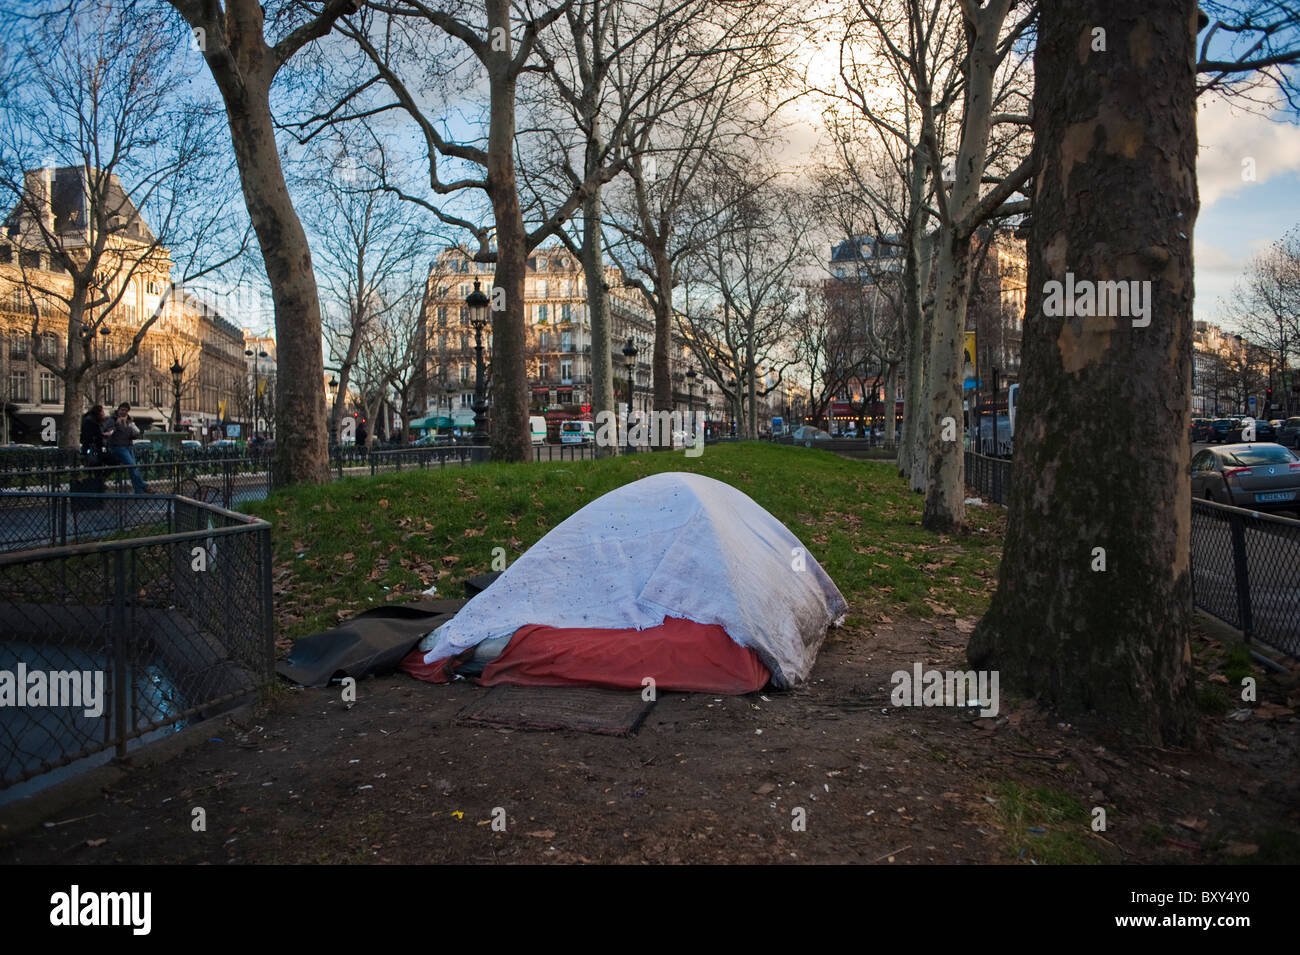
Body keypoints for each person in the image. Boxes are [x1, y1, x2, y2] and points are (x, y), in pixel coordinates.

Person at [104, 402, 148, 493]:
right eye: (122, 410)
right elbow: (108, 432)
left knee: (133, 468)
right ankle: (143, 485)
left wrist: (134, 434)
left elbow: (133, 434)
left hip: (128, 446)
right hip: (118, 447)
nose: (123, 412)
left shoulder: (129, 421)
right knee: (132, 466)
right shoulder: (112, 420)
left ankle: (138, 489)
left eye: (126, 410)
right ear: (118, 410)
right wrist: (116, 425)